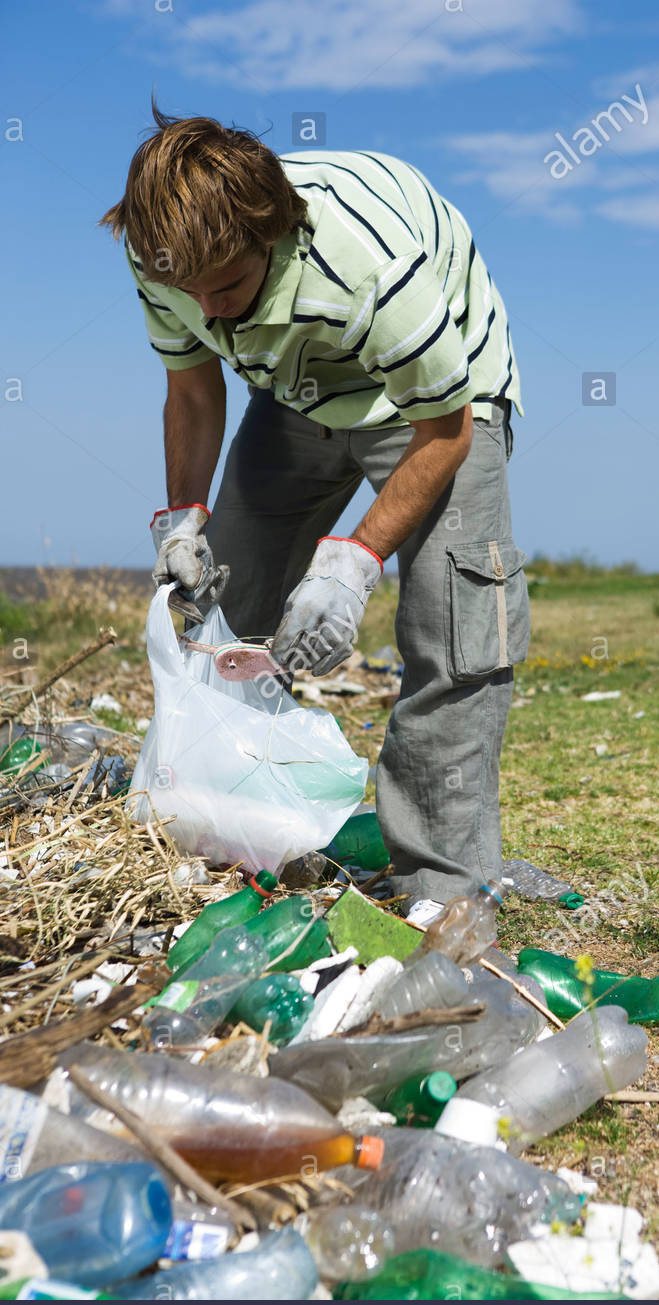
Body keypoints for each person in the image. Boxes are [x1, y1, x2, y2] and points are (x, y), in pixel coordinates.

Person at [101, 105, 530, 916]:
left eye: (224, 287)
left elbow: (445, 432)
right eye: (185, 292)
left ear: (273, 236)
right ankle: (232, 840)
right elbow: (192, 386)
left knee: (456, 637)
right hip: (298, 387)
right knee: (219, 615)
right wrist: (181, 518)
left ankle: (444, 894)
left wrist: (352, 564)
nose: (208, 310)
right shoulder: (164, 256)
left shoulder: (369, 269)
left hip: (435, 403)